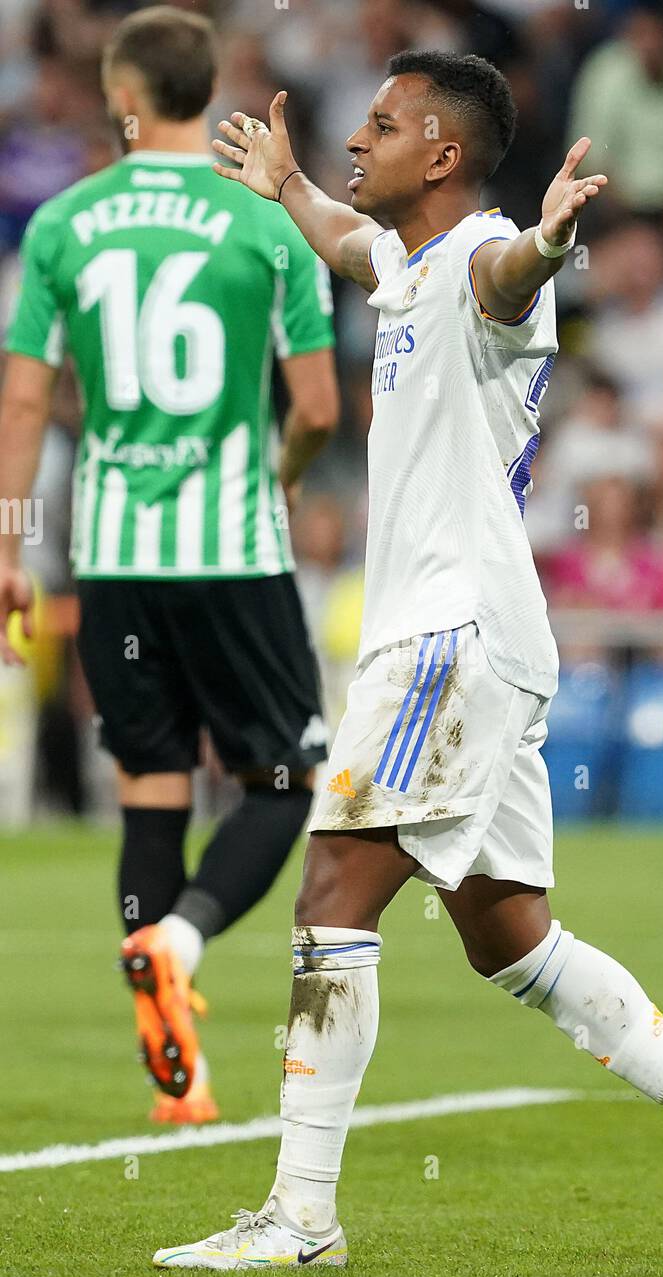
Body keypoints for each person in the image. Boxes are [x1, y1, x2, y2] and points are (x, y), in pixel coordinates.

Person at [154, 49, 663, 1271]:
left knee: (331, 890)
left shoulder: (485, 257)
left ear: (444, 155)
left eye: (384, 124)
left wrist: (555, 240)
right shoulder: (407, 263)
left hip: (445, 640)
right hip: (477, 640)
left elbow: (511, 281)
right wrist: (291, 187)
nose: (360, 139)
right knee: (507, 935)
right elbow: (351, 244)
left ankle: (300, 1215)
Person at [0, 6, 339, 1124]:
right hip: (230, 547)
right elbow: (322, 410)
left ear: (123, 96)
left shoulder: (62, 223)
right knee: (286, 778)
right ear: (212, 89)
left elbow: (25, 394)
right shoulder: (267, 223)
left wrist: (8, 543)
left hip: (111, 556)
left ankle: (175, 1062)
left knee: (150, 790)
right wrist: (286, 470)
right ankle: (179, 942)